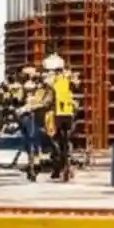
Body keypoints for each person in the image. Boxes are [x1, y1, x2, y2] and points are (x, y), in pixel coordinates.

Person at [44, 53, 77, 182]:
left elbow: (48, 97)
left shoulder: (53, 81)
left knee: (55, 142)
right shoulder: (67, 80)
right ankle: (66, 166)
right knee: (65, 142)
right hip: (68, 114)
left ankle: (58, 169)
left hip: (57, 114)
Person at [15, 68, 53, 181]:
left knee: (33, 141)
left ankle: (34, 165)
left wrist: (29, 107)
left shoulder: (45, 90)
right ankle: (33, 165)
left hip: (37, 118)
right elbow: (19, 100)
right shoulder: (27, 89)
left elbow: (46, 103)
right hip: (29, 118)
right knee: (30, 141)